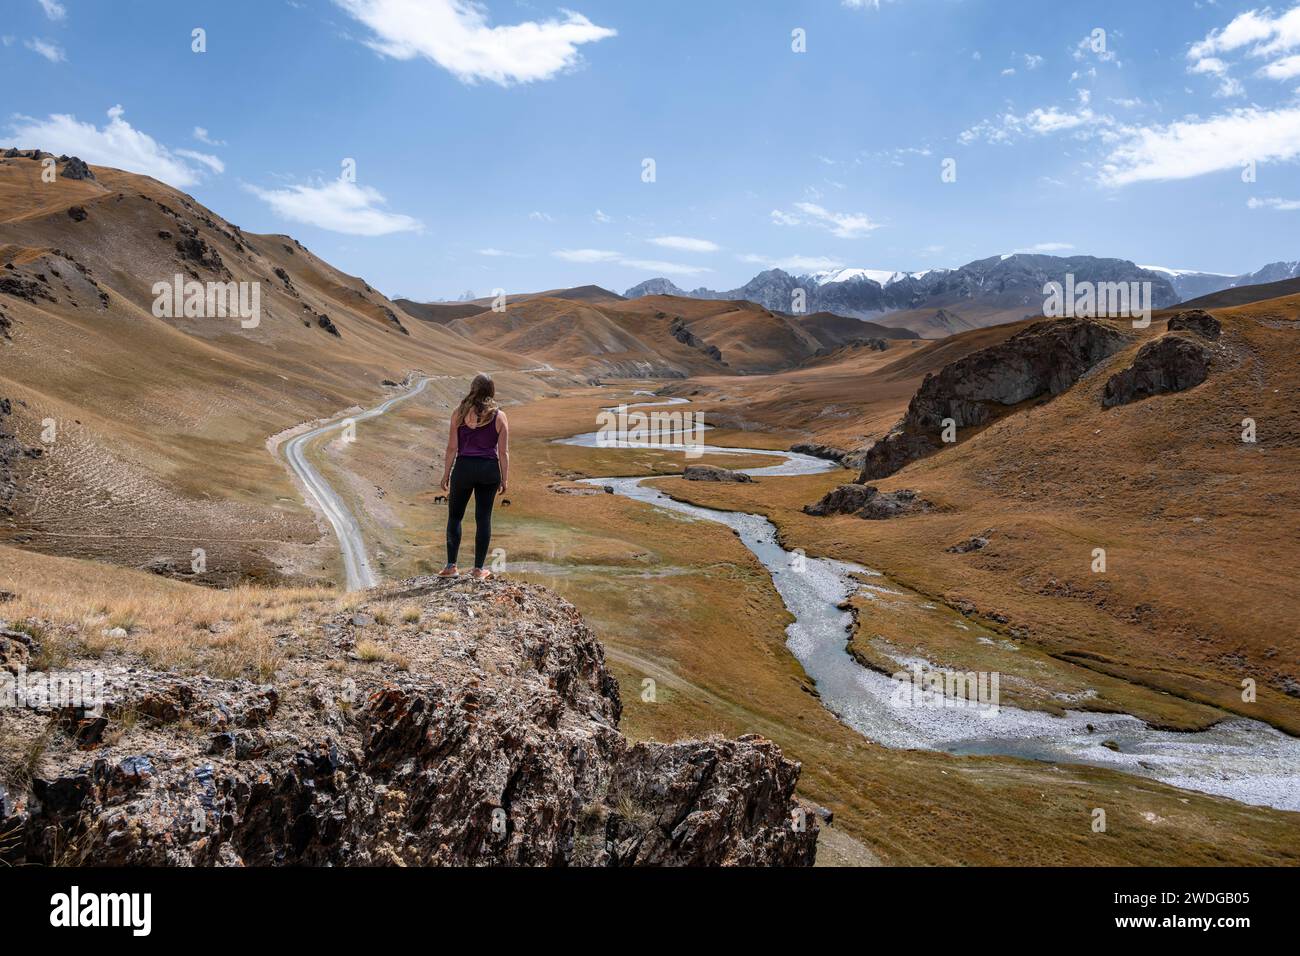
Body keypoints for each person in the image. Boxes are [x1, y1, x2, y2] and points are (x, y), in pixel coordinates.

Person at [439, 373, 509, 580]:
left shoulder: (458, 413)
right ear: (492, 391)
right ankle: (478, 569)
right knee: (483, 518)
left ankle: (451, 566)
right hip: (489, 469)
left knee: (455, 516)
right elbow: (503, 452)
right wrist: (505, 478)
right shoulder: (499, 416)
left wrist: (446, 474)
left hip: (463, 468)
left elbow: (452, 447)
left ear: (472, 388)